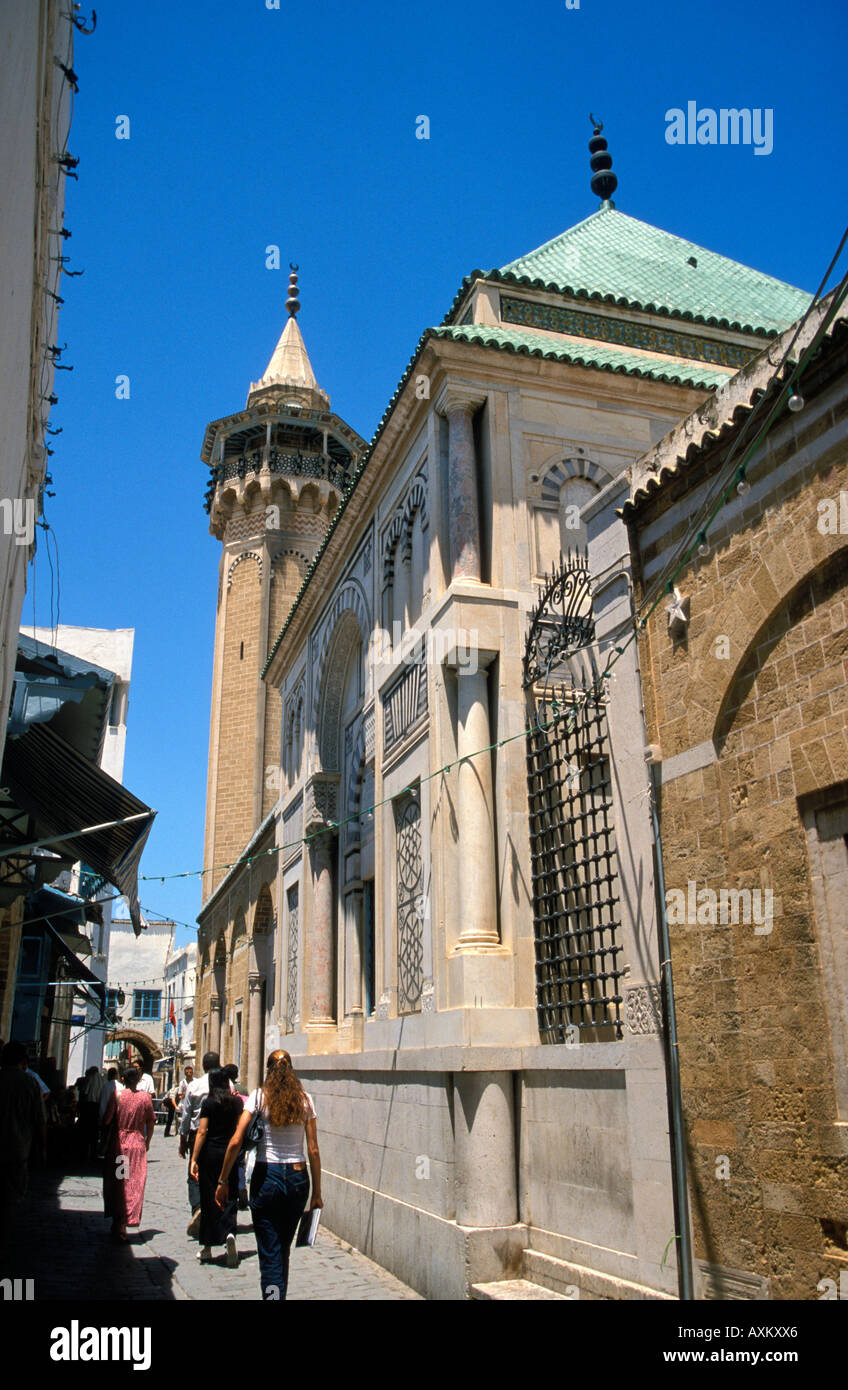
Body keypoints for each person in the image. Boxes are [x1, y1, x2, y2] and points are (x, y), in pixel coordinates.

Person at [217, 1050, 323, 1300]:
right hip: (298, 1177)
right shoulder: (305, 1099)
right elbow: (314, 1149)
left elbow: (235, 1140)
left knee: (270, 1251)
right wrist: (317, 1193)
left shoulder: (258, 1097)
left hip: (268, 1177)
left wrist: (223, 1180)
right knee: (282, 1249)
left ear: (268, 1072)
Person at [189, 1069, 244, 1266]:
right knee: (230, 1196)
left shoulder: (209, 1103)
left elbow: (202, 1131)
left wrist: (194, 1158)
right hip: (230, 1153)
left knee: (209, 1197)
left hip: (211, 1153)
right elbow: (240, 1129)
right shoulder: (237, 1102)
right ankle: (230, 1233)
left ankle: (207, 1247)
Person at [102, 1065, 155, 1242]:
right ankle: (125, 1222)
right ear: (138, 1080)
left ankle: (119, 1223)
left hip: (119, 1148)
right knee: (134, 1184)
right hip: (137, 1147)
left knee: (119, 1182)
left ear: (123, 1079)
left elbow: (107, 1119)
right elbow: (151, 1121)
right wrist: (147, 1140)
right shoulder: (145, 1098)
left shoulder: (116, 1096)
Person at [0, 1042, 46, 1246]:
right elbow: (40, 1120)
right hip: (17, 1150)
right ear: (22, 1060)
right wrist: (42, 1148)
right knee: (10, 1197)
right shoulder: (30, 1083)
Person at [179, 1051, 229, 1237]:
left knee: (195, 1174)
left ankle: (198, 1208)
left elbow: (186, 1115)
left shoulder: (194, 1085)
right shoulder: (228, 1084)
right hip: (221, 1136)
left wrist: (183, 1140)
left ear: (203, 1066)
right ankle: (219, 1214)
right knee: (219, 1175)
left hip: (197, 1135)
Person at [223, 1063, 249, 1209]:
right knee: (239, 1163)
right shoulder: (243, 1089)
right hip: (242, 1130)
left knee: (228, 1163)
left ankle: (227, 1188)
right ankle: (241, 1187)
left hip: (229, 1133)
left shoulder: (223, 1090)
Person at [77, 1066, 102, 1160]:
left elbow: (85, 1092)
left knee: (85, 1132)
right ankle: (93, 1153)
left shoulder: (90, 1079)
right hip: (97, 1108)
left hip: (88, 1107)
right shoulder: (102, 1080)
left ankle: (84, 1154)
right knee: (94, 1133)